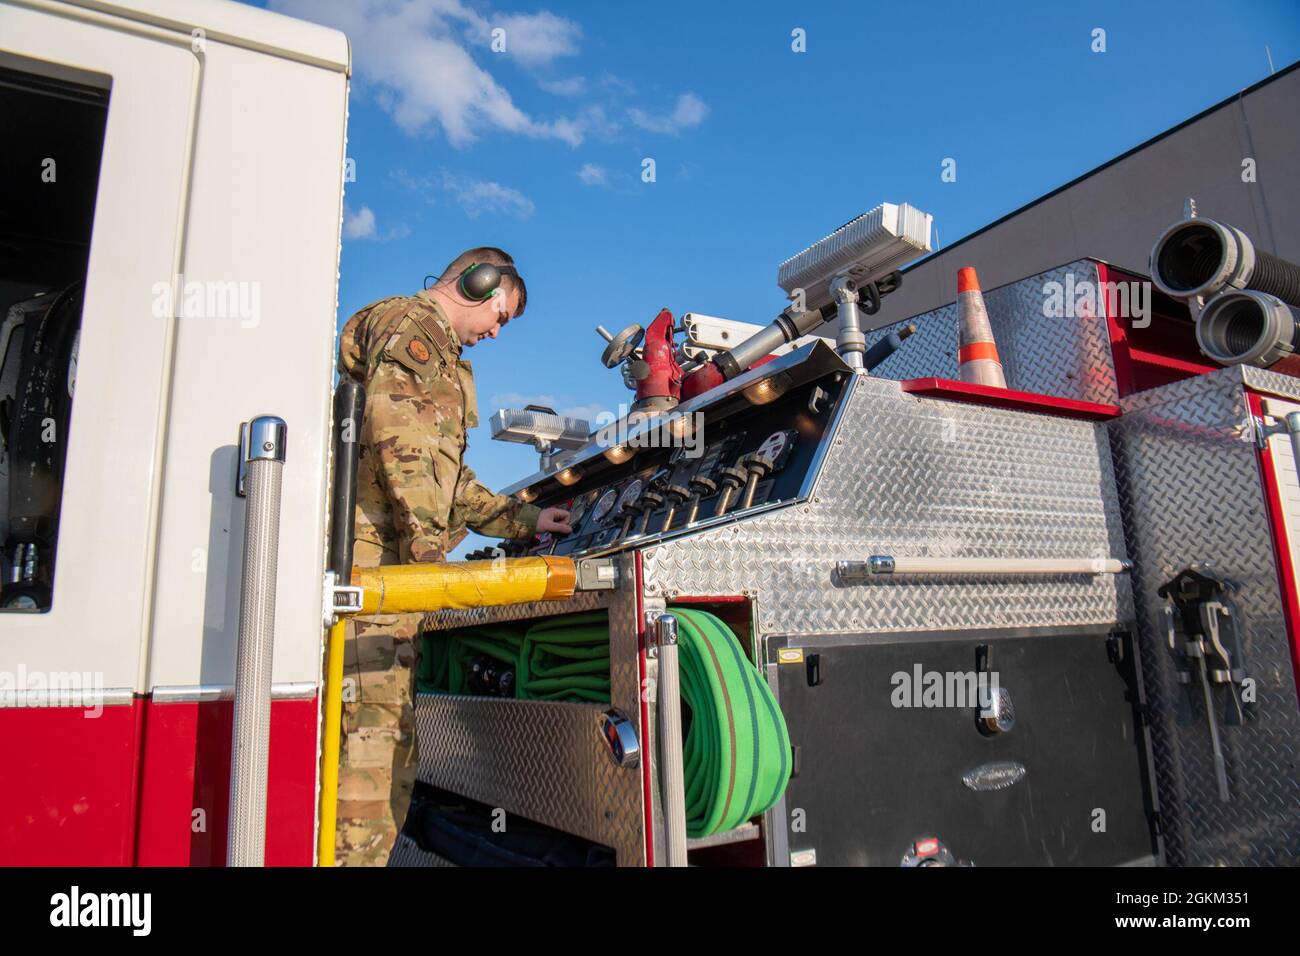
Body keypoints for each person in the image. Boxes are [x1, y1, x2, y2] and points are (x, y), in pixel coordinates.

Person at [334, 246, 571, 865]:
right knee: (368, 758)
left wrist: (525, 518)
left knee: (389, 747)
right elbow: (400, 445)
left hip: (391, 575)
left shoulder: (437, 352)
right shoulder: (416, 330)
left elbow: (449, 480)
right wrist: (431, 557)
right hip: (380, 574)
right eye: (501, 315)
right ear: (480, 281)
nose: (496, 332)